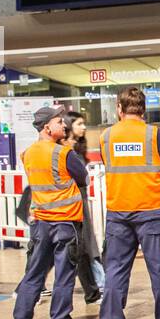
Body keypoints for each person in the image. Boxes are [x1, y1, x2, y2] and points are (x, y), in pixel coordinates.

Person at [98, 88, 160, 319]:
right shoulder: (156, 135)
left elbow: (108, 164)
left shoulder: (106, 136)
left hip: (118, 213)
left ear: (119, 109)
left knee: (115, 270)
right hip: (153, 213)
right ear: (144, 109)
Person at [12, 106, 87, 319]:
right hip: (65, 222)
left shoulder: (27, 153)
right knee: (64, 272)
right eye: (59, 122)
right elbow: (83, 177)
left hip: (41, 223)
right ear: (47, 127)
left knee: (35, 270)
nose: (64, 125)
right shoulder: (64, 153)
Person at [64, 111, 102, 303]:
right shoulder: (64, 150)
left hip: (80, 201)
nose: (84, 127)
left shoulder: (76, 149)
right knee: (80, 247)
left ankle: (93, 290)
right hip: (70, 204)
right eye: (79, 123)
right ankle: (95, 289)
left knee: (84, 246)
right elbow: (82, 178)